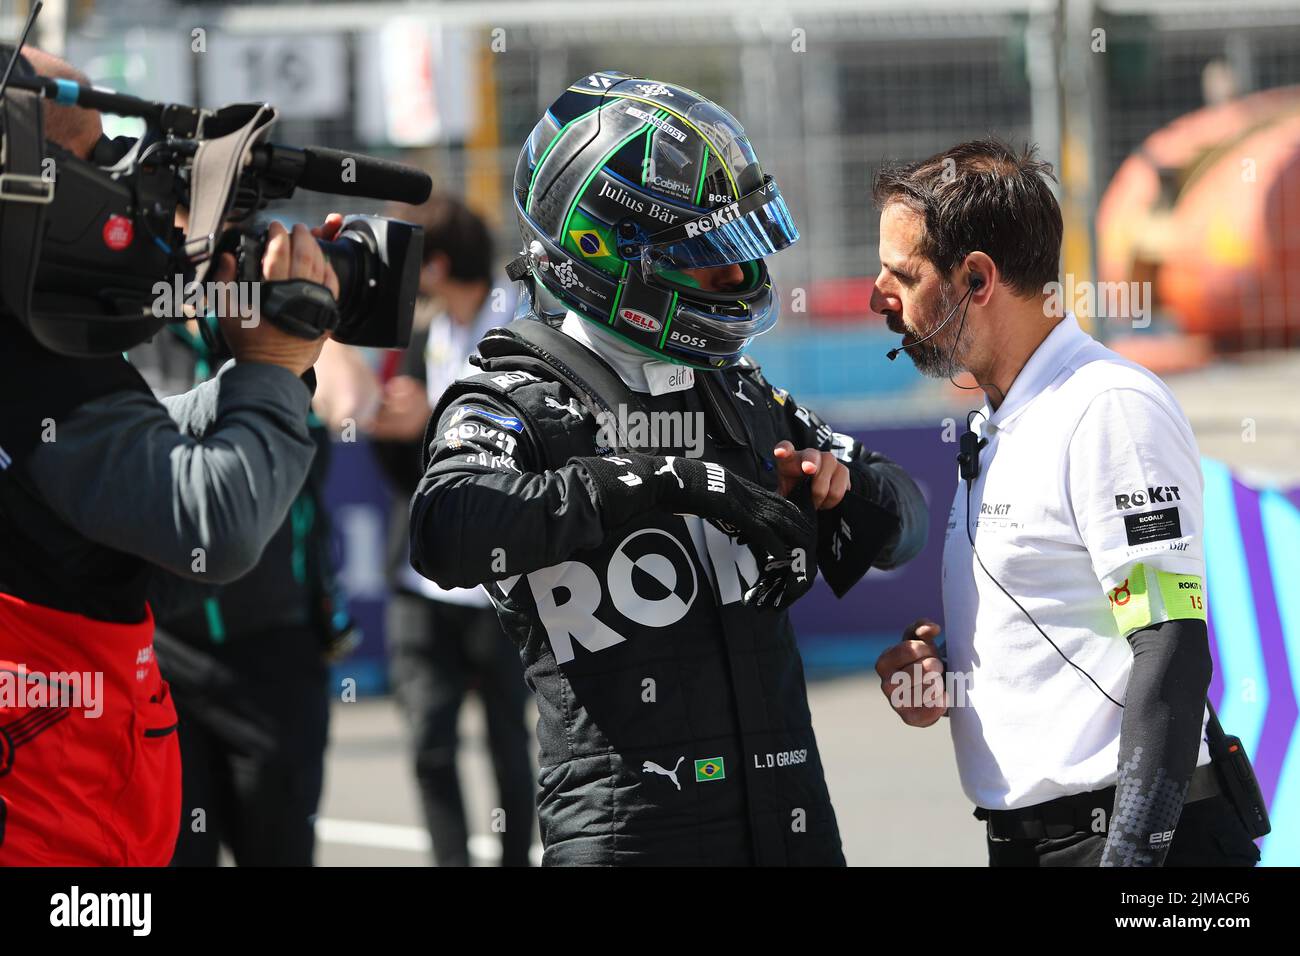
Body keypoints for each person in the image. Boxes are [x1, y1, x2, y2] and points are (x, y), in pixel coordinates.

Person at [408, 72, 929, 866]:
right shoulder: (514, 399)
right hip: (627, 829)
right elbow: (444, 527)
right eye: (710, 261)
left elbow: (906, 520)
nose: (740, 281)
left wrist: (841, 490)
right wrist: (675, 481)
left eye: (740, 256)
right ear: (608, 257)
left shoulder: (740, 391)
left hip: (790, 822)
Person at [870, 138, 1260, 866]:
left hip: (1131, 845)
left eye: (903, 274)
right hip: (1042, 840)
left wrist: (1135, 855)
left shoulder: (1108, 408)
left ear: (977, 279)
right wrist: (946, 673)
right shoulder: (1008, 415)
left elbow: (1171, 648)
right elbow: (1066, 627)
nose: (878, 297)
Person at [0, 45, 339, 865]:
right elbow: (210, 523)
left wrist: (255, 367)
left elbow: (107, 475)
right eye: (92, 159)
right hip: (58, 840)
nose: (118, 183)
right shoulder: (29, 359)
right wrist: (271, 369)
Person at [319, 196, 535, 866]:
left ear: (437, 264)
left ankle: (511, 857)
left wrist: (432, 419)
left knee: (510, 742)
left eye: (411, 263)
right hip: (423, 578)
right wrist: (394, 425)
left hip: (502, 580)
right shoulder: (424, 337)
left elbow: (532, 435)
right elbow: (401, 463)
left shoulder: (522, 326)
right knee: (429, 742)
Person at [128, 301, 349, 867]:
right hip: (163, 654)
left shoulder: (283, 317)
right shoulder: (127, 334)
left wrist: (295, 318)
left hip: (276, 652)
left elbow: (351, 402)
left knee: (279, 852)